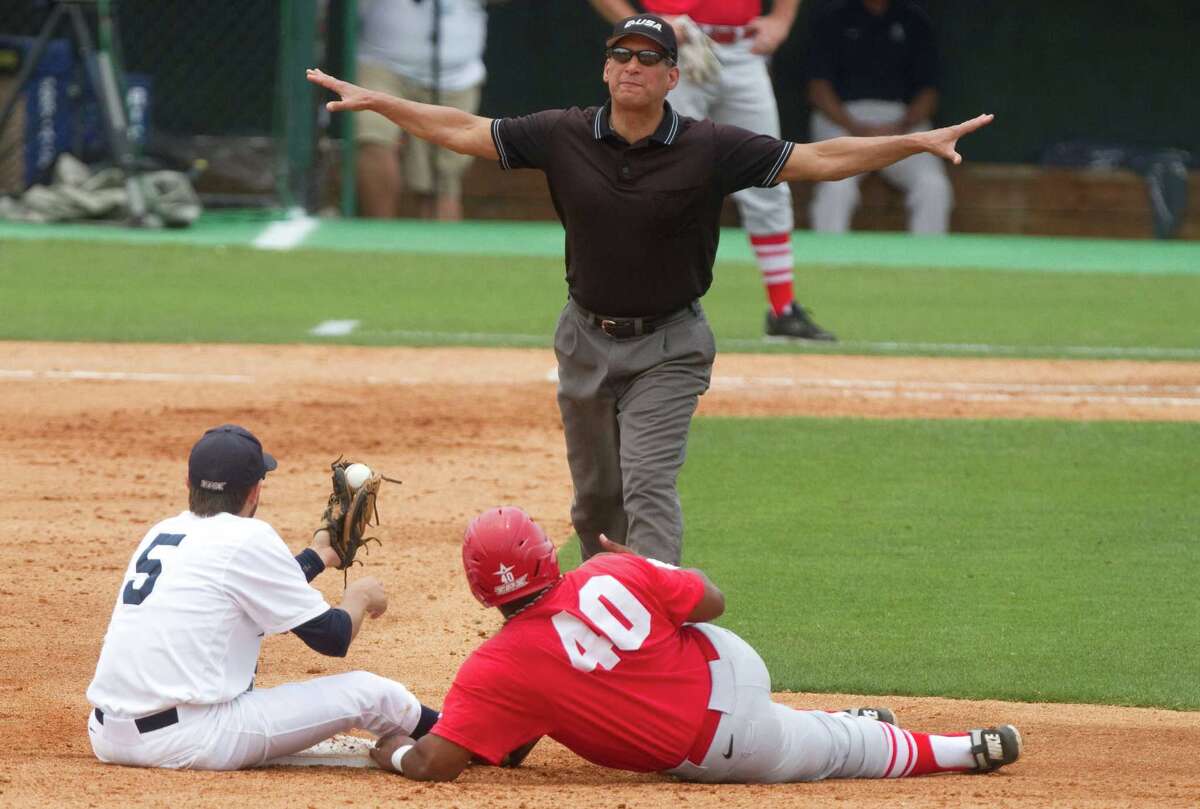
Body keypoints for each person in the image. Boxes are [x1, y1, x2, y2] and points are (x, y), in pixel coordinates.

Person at [306, 14, 992, 566]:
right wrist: (382, 102)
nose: (632, 66)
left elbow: (818, 159)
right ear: (606, 69)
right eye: (621, 56)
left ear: (672, 77)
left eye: (648, 58)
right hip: (584, 339)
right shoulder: (564, 133)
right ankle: (599, 613)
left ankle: (656, 622)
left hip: (670, 345)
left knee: (647, 487)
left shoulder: (710, 146)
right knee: (595, 501)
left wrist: (915, 141)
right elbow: (463, 129)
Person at [366, 506, 1023, 782]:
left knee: (835, 751)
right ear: (546, 554)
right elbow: (710, 600)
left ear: (480, 588)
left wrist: (389, 750)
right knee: (682, 661)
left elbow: (432, 762)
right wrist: (645, 565)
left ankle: (958, 749)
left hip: (723, 742)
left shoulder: (496, 668)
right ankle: (843, 719)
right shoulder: (608, 569)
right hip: (728, 657)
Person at [85, 424, 440, 770]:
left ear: (188, 483)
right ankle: (458, 738)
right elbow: (333, 637)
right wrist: (359, 596)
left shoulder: (163, 531)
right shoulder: (248, 536)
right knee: (370, 694)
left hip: (107, 735)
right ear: (255, 491)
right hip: (192, 738)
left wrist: (319, 555)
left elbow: (249, 590)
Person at [587, 0, 835, 341]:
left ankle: (783, 310)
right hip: (677, 44)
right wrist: (643, 29)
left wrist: (781, 19)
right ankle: (645, 307)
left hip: (744, 48)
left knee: (770, 173)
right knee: (663, 176)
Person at [807, 0, 953, 234]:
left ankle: (928, 256)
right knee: (836, 186)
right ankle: (828, 255)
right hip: (843, 119)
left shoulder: (914, 19)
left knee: (933, 185)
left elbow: (929, 92)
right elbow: (818, 90)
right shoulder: (834, 17)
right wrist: (856, 128)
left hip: (900, 120)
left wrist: (900, 126)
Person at [355, 0, 489, 220]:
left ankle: (436, 242)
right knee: (372, 138)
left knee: (442, 179)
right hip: (381, 64)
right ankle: (378, 233)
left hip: (454, 78)